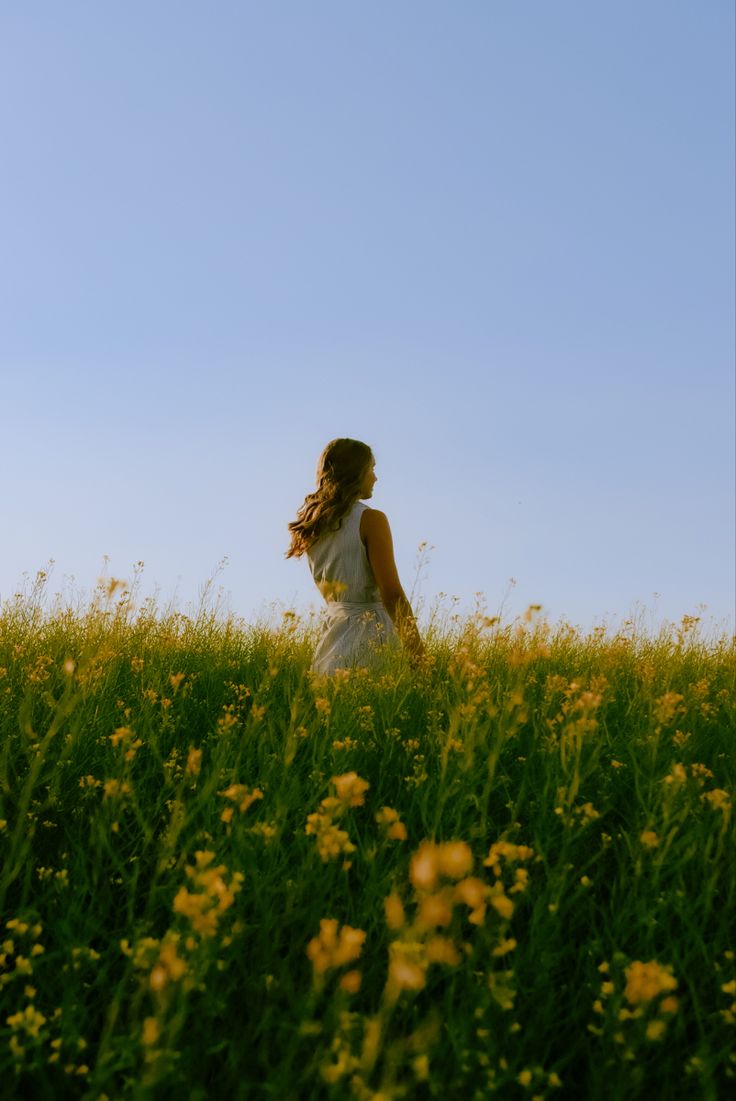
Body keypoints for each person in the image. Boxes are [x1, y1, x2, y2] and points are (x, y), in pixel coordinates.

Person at [286, 438, 425, 676]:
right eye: (371, 469)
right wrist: (419, 657)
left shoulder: (314, 527)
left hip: (331, 640)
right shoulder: (372, 520)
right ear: (356, 472)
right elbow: (392, 594)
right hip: (373, 638)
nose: (375, 477)